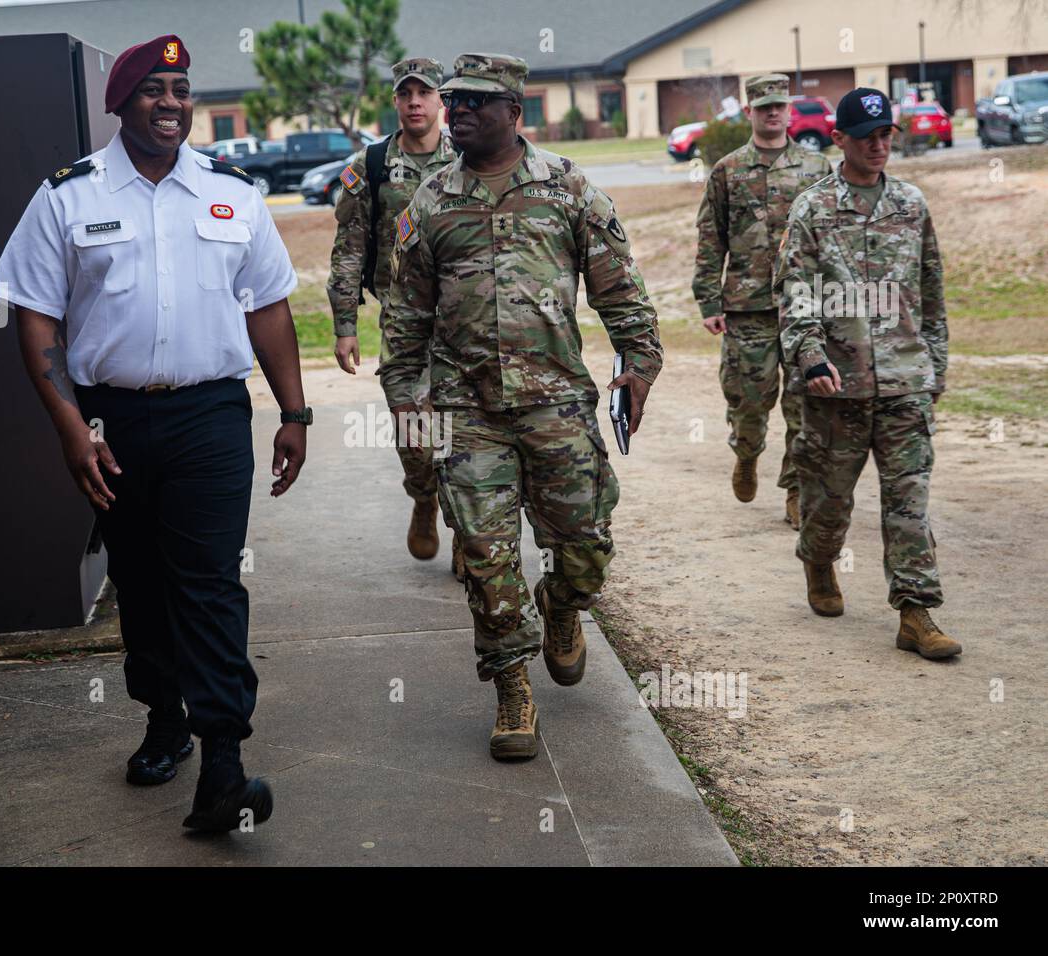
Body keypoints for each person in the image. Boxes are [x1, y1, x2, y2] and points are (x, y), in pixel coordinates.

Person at [0, 34, 313, 830]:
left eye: (181, 89)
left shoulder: (230, 192)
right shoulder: (68, 196)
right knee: (142, 581)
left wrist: (295, 412)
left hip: (210, 415)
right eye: (153, 91)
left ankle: (224, 764)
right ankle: (164, 718)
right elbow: (35, 317)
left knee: (209, 583)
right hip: (113, 419)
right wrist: (70, 427)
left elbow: (268, 308)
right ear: (121, 103)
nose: (171, 104)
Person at [379, 53, 663, 760]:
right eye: (454, 100)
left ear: (516, 112)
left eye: (478, 100)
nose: (461, 110)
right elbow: (406, 317)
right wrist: (407, 398)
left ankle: (563, 604)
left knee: (586, 545)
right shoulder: (432, 203)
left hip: (557, 404)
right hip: (466, 409)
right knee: (484, 553)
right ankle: (512, 689)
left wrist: (639, 363)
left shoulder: (567, 189)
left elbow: (620, 291)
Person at [776, 87, 960, 661]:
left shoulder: (911, 203)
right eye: (867, 138)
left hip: (905, 380)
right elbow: (795, 294)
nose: (879, 146)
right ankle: (819, 558)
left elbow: (930, 288)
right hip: (838, 384)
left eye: (886, 136)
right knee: (829, 500)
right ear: (840, 141)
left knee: (909, 500)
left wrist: (936, 365)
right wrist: (809, 356)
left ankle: (915, 611)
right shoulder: (812, 208)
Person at [327, 58, 463, 575]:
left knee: (464, 431)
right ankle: (423, 495)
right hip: (403, 323)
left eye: (424, 93)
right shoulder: (373, 164)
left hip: (464, 324)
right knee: (414, 432)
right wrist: (344, 324)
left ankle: (466, 535)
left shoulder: (468, 158)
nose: (414, 102)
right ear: (394, 101)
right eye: (405, 93)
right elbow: (348, 248)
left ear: (440, 101)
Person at [693, 73, 831, 526]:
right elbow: (711, 238)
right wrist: (709, 300)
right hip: (747, 307)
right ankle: (747, 454)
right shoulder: (728, 170)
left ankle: (796, 491)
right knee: (749, 402)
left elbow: (832, 240)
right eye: (764, 106)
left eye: (780, 105)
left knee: (805, 406)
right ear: (749, 111)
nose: (773, 112)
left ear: (790, 111)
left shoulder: (816, 168)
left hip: (805, 308)